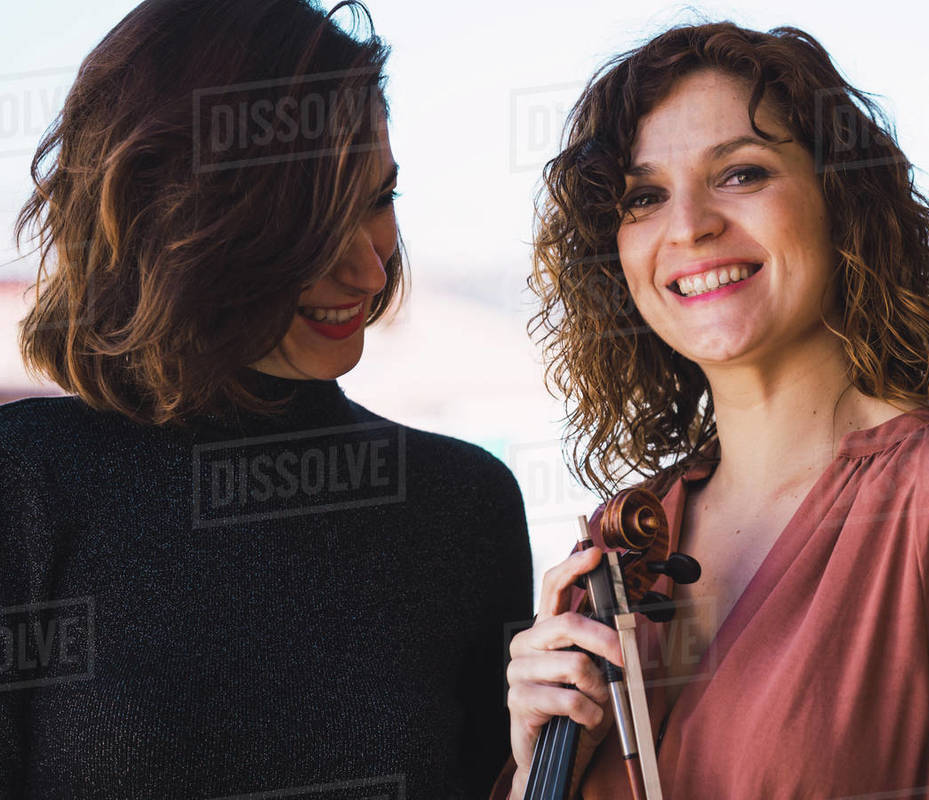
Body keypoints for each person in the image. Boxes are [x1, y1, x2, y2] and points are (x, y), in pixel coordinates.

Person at [0, 2, 531, 798]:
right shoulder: (27, 481)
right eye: (313, 228)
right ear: (179, 224)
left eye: (379, 200)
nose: (371, 271)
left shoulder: (465, 507)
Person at [497, 22, 929, 799]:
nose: (689, 225)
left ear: (840, 199)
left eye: (741, 174)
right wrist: (534, 765)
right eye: (645, 196)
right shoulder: (626, 536)